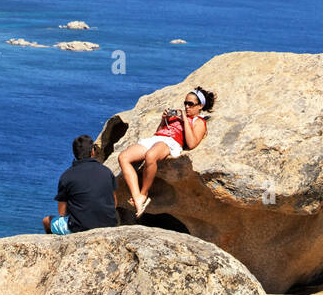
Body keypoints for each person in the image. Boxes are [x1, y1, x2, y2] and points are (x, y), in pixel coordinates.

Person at [117, 86, 214, 219]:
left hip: (171, 142)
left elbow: (191, 143)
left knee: (150, 156)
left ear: (200, 106)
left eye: (191, 104)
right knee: (123, 157)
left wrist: (185, 119)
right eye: (185, 103)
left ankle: (144, 194)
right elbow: (159, 131)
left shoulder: (199, 122)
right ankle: (137, 196)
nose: (186, 107)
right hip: (157, 138)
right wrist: (164, 120)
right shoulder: (179, 115)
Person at [43, 134, 117, 235]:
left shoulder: (67, 176)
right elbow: (114, 203)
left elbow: (61, 212)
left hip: (79, 228)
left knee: (47, 221)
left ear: (74, 153)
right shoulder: (107, 171)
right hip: (109, 225)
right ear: (92, 151)